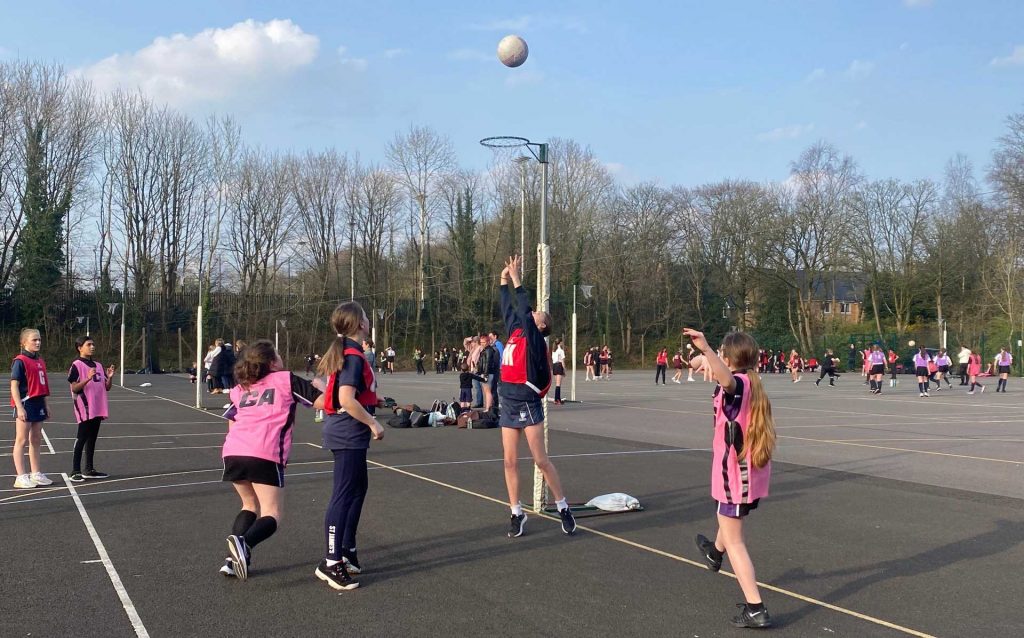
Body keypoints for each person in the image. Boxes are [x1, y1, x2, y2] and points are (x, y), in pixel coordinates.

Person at [686, 328, 775, 630]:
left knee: (735, 539)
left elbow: (726, 380)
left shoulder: (737, 386)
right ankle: (714, 552)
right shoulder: (750, 381)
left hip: (736, 474)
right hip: (747, 471)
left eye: (720, 355)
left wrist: (706, 349)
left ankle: (755, 608)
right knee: (727, 523)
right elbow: (721, 373)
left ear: (726, 357)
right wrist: (702, 359)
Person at [220, 340, 325, 580]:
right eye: (278, 354)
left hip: (233, 450)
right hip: (264, 452)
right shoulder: (286, 379)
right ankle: (244, 545)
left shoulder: (241, 388)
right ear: (271, 362)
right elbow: (324, 404)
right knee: (272, 513)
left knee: (249, 505)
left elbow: (232, 421)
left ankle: (231, 560)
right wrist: (323, 385)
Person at [498, 255, 576, 537]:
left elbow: (523, 306)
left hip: (528, 401)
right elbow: (509, 308)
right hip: (508, 399)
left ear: (542, 326)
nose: (532, 314)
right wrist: (503, 280)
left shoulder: (534, 338)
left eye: (537, 315)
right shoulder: (516, 330)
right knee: (509, 460)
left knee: (540, 460)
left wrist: (518, 280)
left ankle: (562, 505)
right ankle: (516, 513)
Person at [315, 302, 385, 591]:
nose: (369, 320)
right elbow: (345, 398)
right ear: (360, 324)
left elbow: (349, 393)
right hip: (347, 433)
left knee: (358, 488)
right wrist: (373, 423)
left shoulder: (348, 354)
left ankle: (346, 550)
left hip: (349, 433)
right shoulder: (353, 356)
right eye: (367, 317)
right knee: (343, 494)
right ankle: (331, 562)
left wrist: (374, 403)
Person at [67, 336, 116, 482]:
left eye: (93, 344)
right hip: (85, 406)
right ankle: (75, 470)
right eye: (89, 344)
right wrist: (87, 378)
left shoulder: (98, 365)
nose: (92, 347)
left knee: (92, 438)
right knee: (81, 437)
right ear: (79, 348)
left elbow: (106, 387)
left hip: (98, 406)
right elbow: (74, 387)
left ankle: (89, 469)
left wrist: (111, 378)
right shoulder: (76, 365)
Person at [10, 328, 53, 489]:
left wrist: (46, 404)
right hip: (25, 402)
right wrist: (19, 407)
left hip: (38, 402)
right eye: (34, 340)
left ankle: (36, 473)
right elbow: (14, 386)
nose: (38, 342)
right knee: (21, 440)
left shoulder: (40, 361)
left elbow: (43, 385)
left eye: (39, 339)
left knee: (36, 439)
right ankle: (21, 476)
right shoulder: (20, 361)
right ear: (24, 342)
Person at [551, 339, 566, 404]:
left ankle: (556, 399)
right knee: (558, 384)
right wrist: (564, 370)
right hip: (559, 365)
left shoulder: (553, 351)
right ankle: (558, 399)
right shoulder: (561, 351)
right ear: (560, 343)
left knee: (557, 384)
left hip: (554, 366)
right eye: (561, 342)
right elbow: (562, 361)